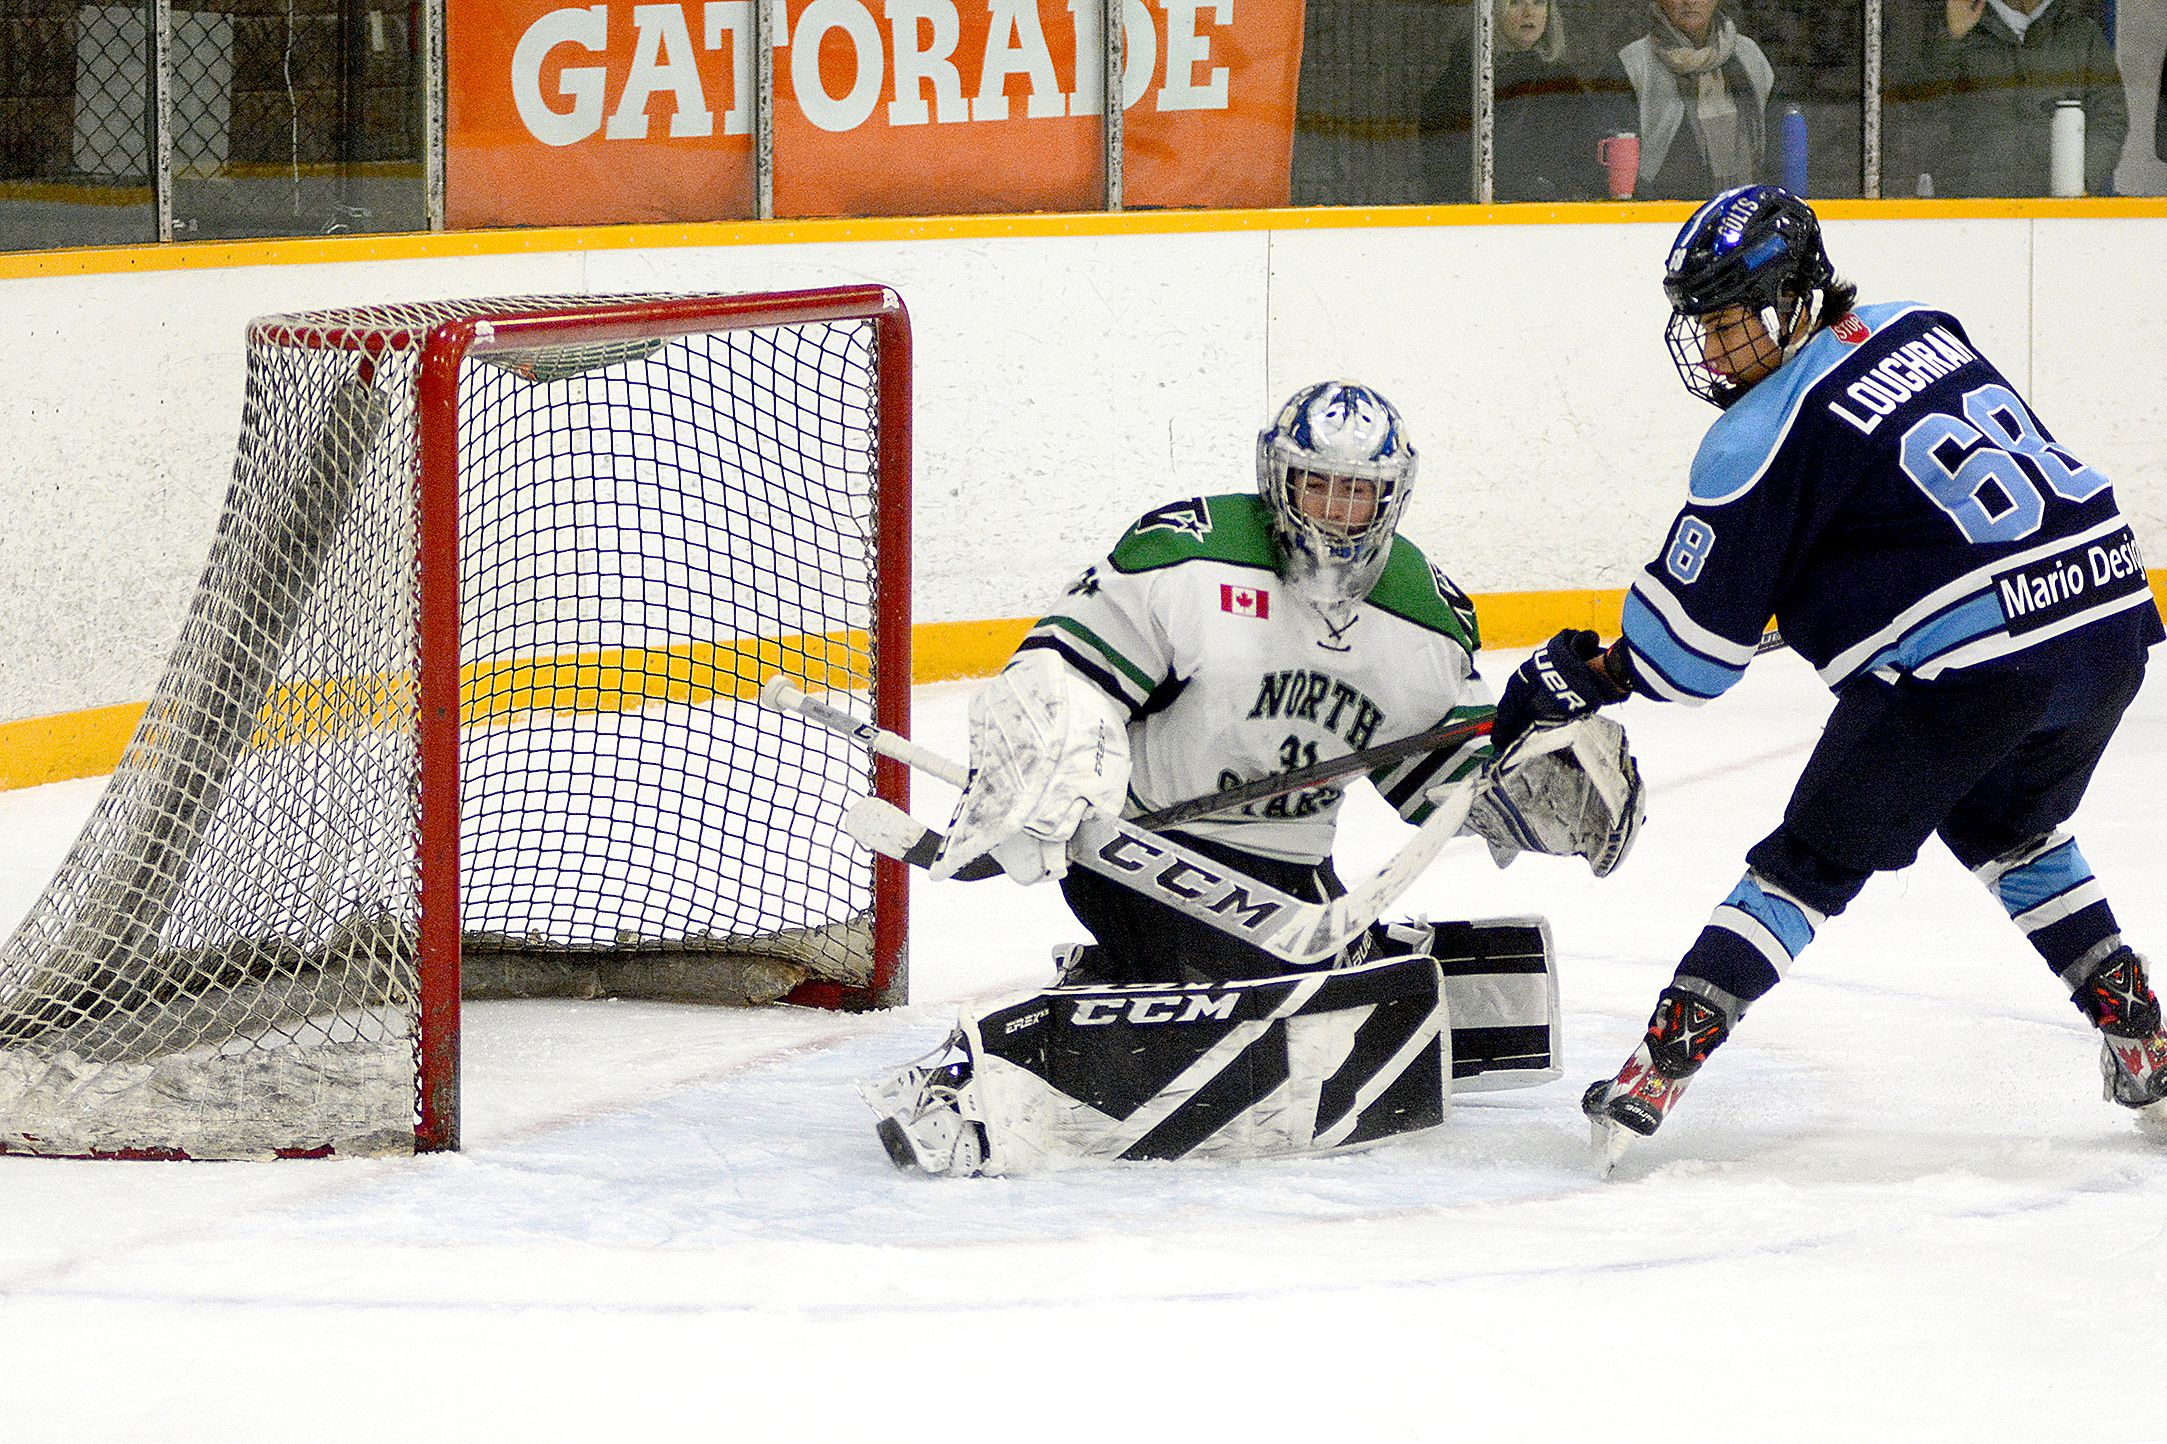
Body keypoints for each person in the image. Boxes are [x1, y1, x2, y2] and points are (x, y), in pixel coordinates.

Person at [1492, 185, 2167, 1168]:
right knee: (2005, 826)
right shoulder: (1920, 327)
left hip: (1976, 663)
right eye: (1703, 327)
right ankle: (2139, 1035)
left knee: (1807, 862)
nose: (1716, 351)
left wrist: (1585, 676)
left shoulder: (1753, 435)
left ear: (1795, 297)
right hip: (2105, 623)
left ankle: (1650, 1075)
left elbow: (1686, 659)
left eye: (1731, 322)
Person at [863, 381, 1644, 1176]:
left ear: (1394, 494)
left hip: (1291, 878)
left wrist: (1537, 778)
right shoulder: (1186, 553)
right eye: (1318, 485)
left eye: (1361, 492)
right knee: (1285, 1023)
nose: (1337, 513)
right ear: (1279, 479)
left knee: (1319, 1001)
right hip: (1144, 851)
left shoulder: (1427, 614)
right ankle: (971, 1083)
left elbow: (1441, 778)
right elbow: (1057, 674)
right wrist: (1050, 756)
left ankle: (1133, 983)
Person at [1888, 0, 2127, 197]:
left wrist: (2080, 181)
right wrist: (1949, 37)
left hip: (2057, 212)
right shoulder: (1954, 24)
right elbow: (1918, 109)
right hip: (1973, 209)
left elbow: (2110, 118)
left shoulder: (2081, 33)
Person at [1423, 0, 1620, 201]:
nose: (1529, 12)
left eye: (1538, 3)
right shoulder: (1467, 81)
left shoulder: (1559, 78)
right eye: (1515, 2)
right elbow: (1446, 174)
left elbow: (1590, 157)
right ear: (1491, 12)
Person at [1607, 0, 1779, 200]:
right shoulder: (1632, 64)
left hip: (1743, 212)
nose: (1690, 1)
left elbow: (1777, 152)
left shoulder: (1750, 57)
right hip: (1658, 218)